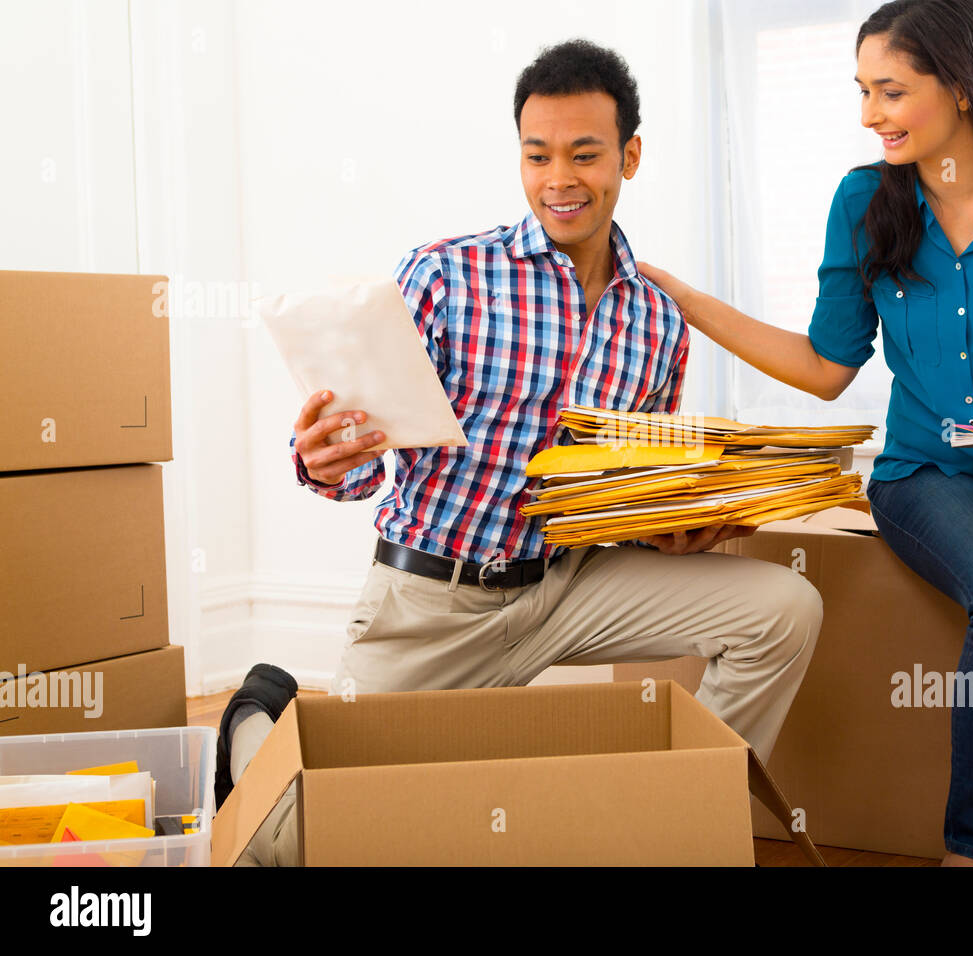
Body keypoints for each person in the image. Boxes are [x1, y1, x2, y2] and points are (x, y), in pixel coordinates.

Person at [216, 39, 822, 866]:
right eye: (537, 156)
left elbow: (620, 484)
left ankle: (670, 823)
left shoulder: (657, 321)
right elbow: (366, 452)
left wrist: (675, 524)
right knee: (294, 848)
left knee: (783, 609)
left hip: (570, 587)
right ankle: (256, 723)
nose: (558, 180)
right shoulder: (443, 277)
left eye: (583, 154)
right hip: (431, 604)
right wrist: (328, 459)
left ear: (629, 156)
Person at [639, 0, 973, 867]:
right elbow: (828, 366)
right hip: (930, 472)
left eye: (890, 91)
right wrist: (690, 302)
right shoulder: (865, 202)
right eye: (862, 91)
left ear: (962, 86)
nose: (868, 115)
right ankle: (971, 851)